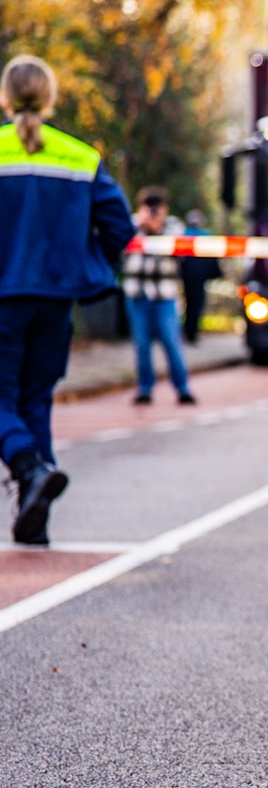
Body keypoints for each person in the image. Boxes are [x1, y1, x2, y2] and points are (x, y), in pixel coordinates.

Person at [0, 55, 134, 545]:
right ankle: (35, 516)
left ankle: (29, 468)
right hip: (56, 300)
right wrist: (84, 263)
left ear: (5, 98)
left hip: (4, 296)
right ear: (50, 98)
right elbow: (120, 228)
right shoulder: (80, 157)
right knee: (35, 401)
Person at [120, 187, 196, 406]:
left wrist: (158, 230)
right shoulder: (131, 225)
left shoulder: (173, 227)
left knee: (171, 342)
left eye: (157, 208)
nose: (153, 213)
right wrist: (142, 227)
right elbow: (119, 250)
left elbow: (181, 254)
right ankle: (144, 389)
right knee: (142, 344)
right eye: (148, 208)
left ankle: (182, 388)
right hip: (137, 294)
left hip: (165, 296)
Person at [178, 208, 221, 345]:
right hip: (198, 278)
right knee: (196, 304)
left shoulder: (184, 235)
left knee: (189, 303)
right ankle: (191, 332)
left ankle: (188, 331)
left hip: (187, 277)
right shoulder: (206, 236)